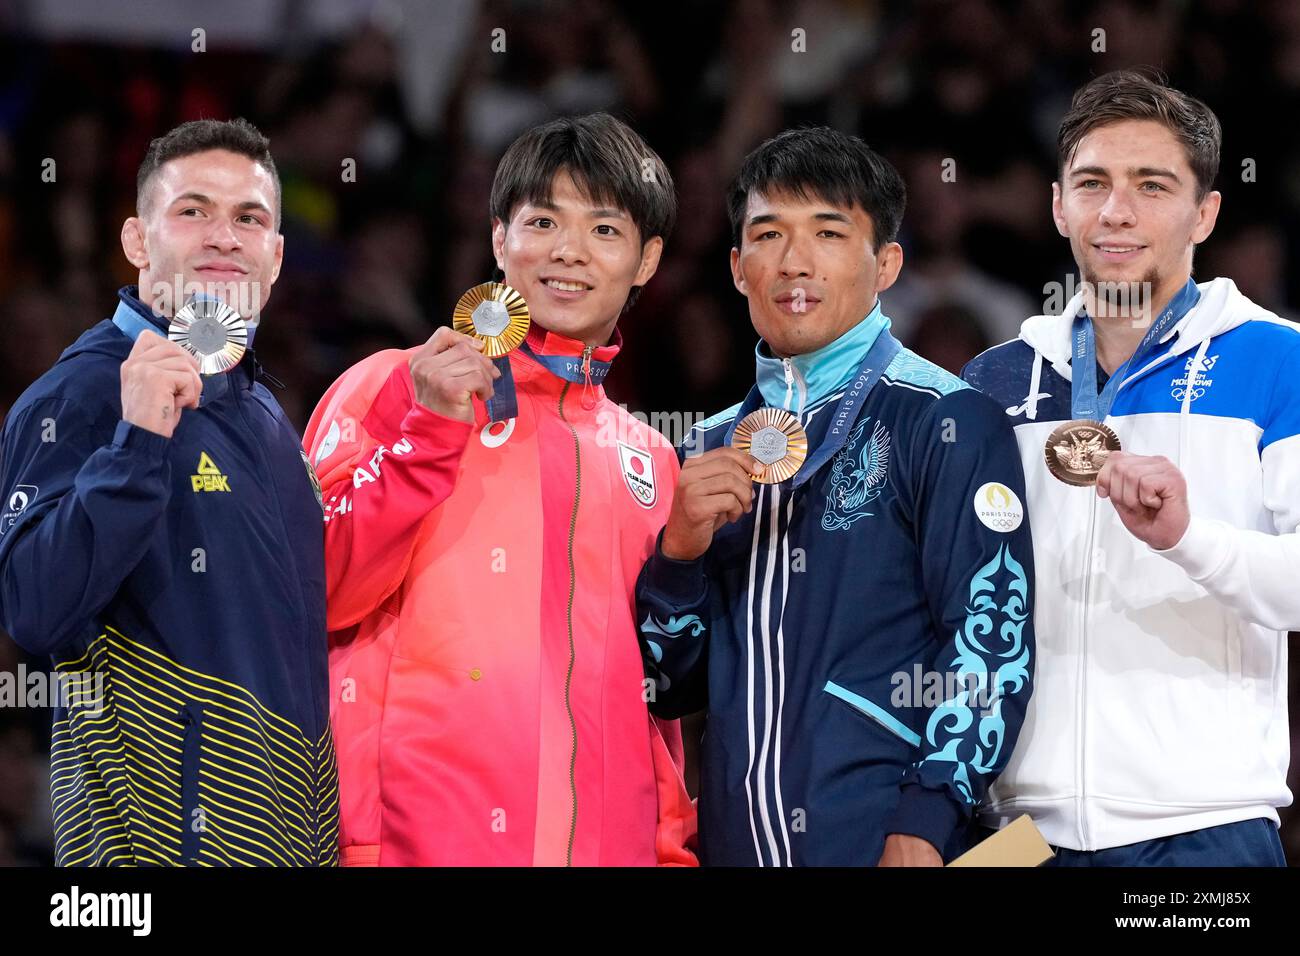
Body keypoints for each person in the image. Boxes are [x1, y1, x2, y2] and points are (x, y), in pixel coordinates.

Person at [634, 127, 1035, 866]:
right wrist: (678, 558)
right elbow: (666, 685)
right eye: (768, 234)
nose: (794, 261)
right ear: (735, 266)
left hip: (889, 844)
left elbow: (990, 636)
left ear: (885, 263)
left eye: (827, 231)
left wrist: (925, 819)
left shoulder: (946, 418)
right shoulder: (704, 448)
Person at [304, 113, 696, 866]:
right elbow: (316, 591)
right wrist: (426, 431)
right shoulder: (392, 383)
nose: (567, 252)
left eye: (604, 231)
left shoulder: (647, 457)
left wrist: (664, 845)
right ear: (498, 241)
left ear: (646, 261)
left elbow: (655, 697)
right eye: (542, 221)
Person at [962, 69, 1300, 866]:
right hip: (1017, 832)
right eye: (1093, 184)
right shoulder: (996, 380)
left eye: (1152, 186)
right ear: (1057, 204)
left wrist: (1189, 539)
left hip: (1202, 824)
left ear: (1205, 212)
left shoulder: (1278, 362)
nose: (1116, 212)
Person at [0, 118, 337, 866]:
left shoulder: (267, 418)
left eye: (248, 218)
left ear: (275, 257)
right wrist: (136, 444)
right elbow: (33, 608)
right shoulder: (80, 394)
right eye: (193, 211)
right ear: (137, 241)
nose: (224, 236)